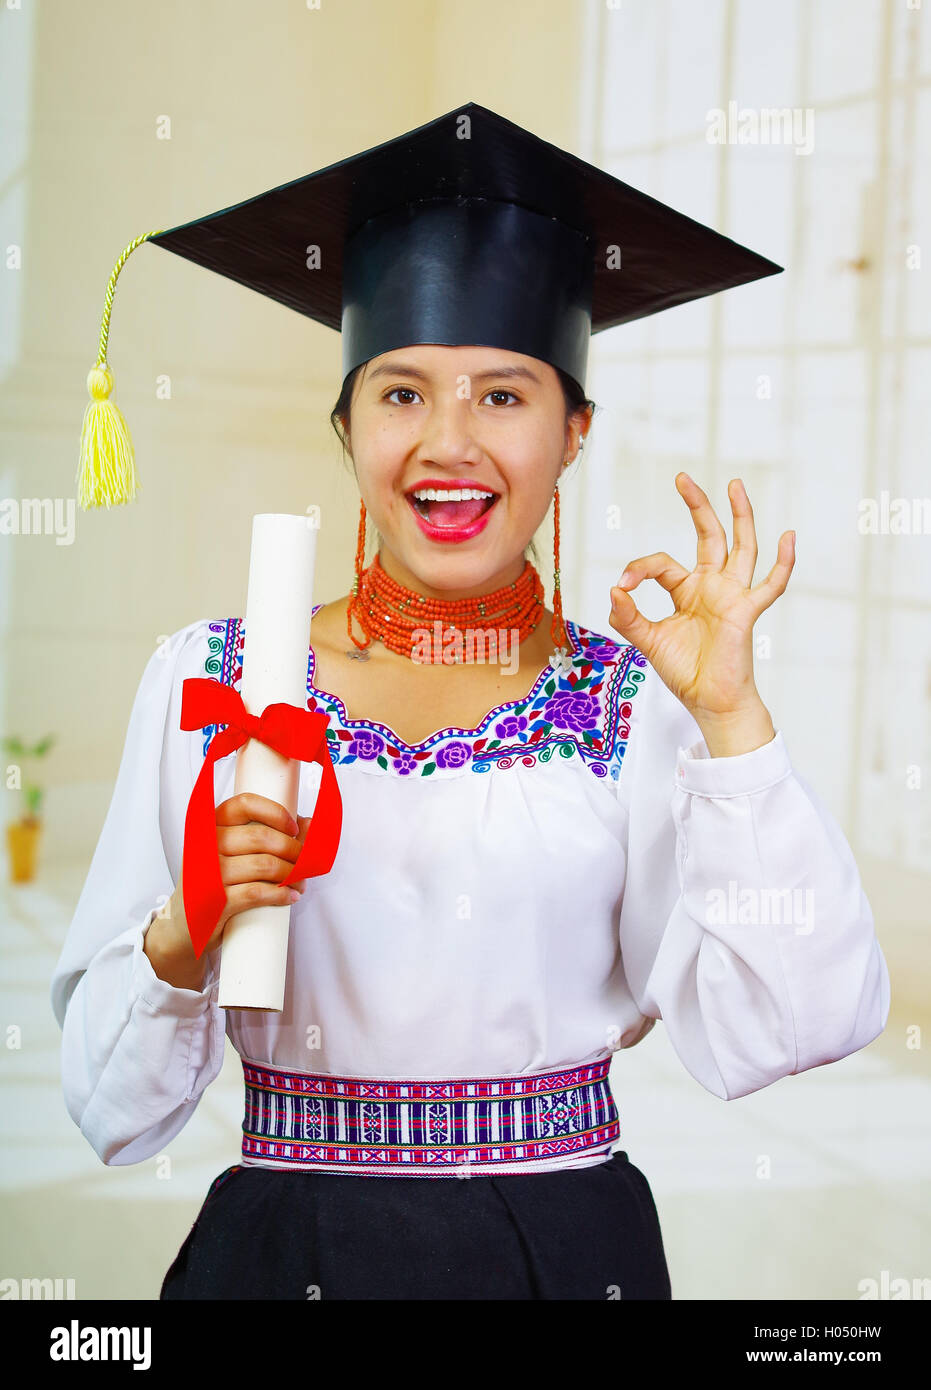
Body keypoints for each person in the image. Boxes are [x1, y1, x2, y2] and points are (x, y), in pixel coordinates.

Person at [52, 103, 890, 1301]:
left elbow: (793, 1022)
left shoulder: (630, 705)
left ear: (575, 431)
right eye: (399, 394)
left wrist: (732, 721)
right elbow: (107, 1108)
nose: (447, 444)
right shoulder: (214, 685)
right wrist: (182, 936)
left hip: (565, 1255)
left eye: (503, 396)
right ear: (346, 427)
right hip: (287, 1253)